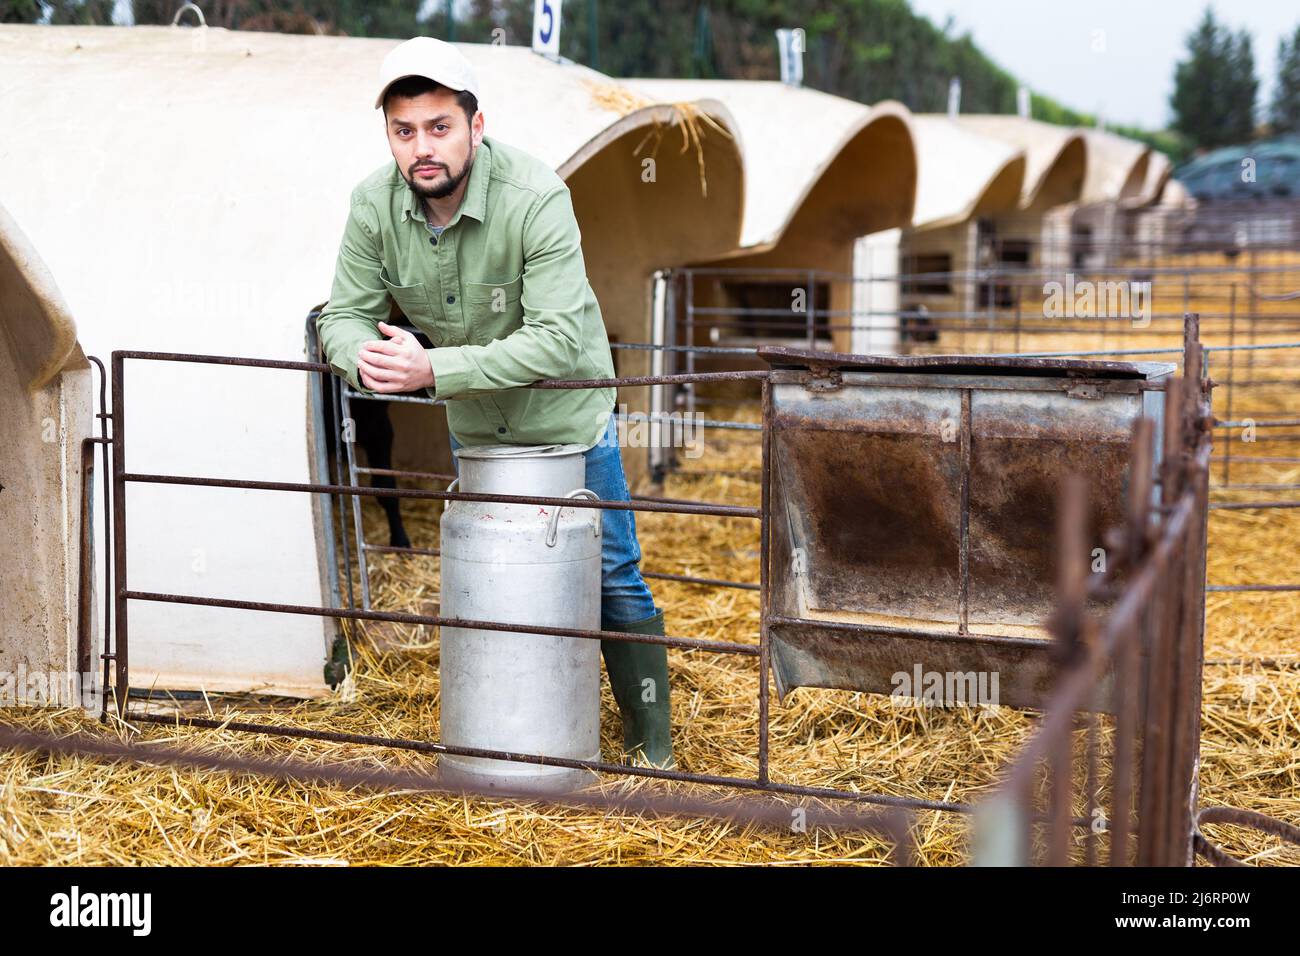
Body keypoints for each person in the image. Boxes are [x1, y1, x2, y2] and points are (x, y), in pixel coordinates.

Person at [315, 37, 673, 769]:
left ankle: (653, 749)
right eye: (404, 130)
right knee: (496, 569)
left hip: (569, 422)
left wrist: (430, 369)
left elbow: (552, 340)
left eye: (440, 127)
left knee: (607, 571)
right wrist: (368, 358)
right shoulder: (372, 206)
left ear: (477, 126)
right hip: (476, 425)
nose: (422, 148)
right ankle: (513, 729)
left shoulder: (536, 196)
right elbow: (339, 318)